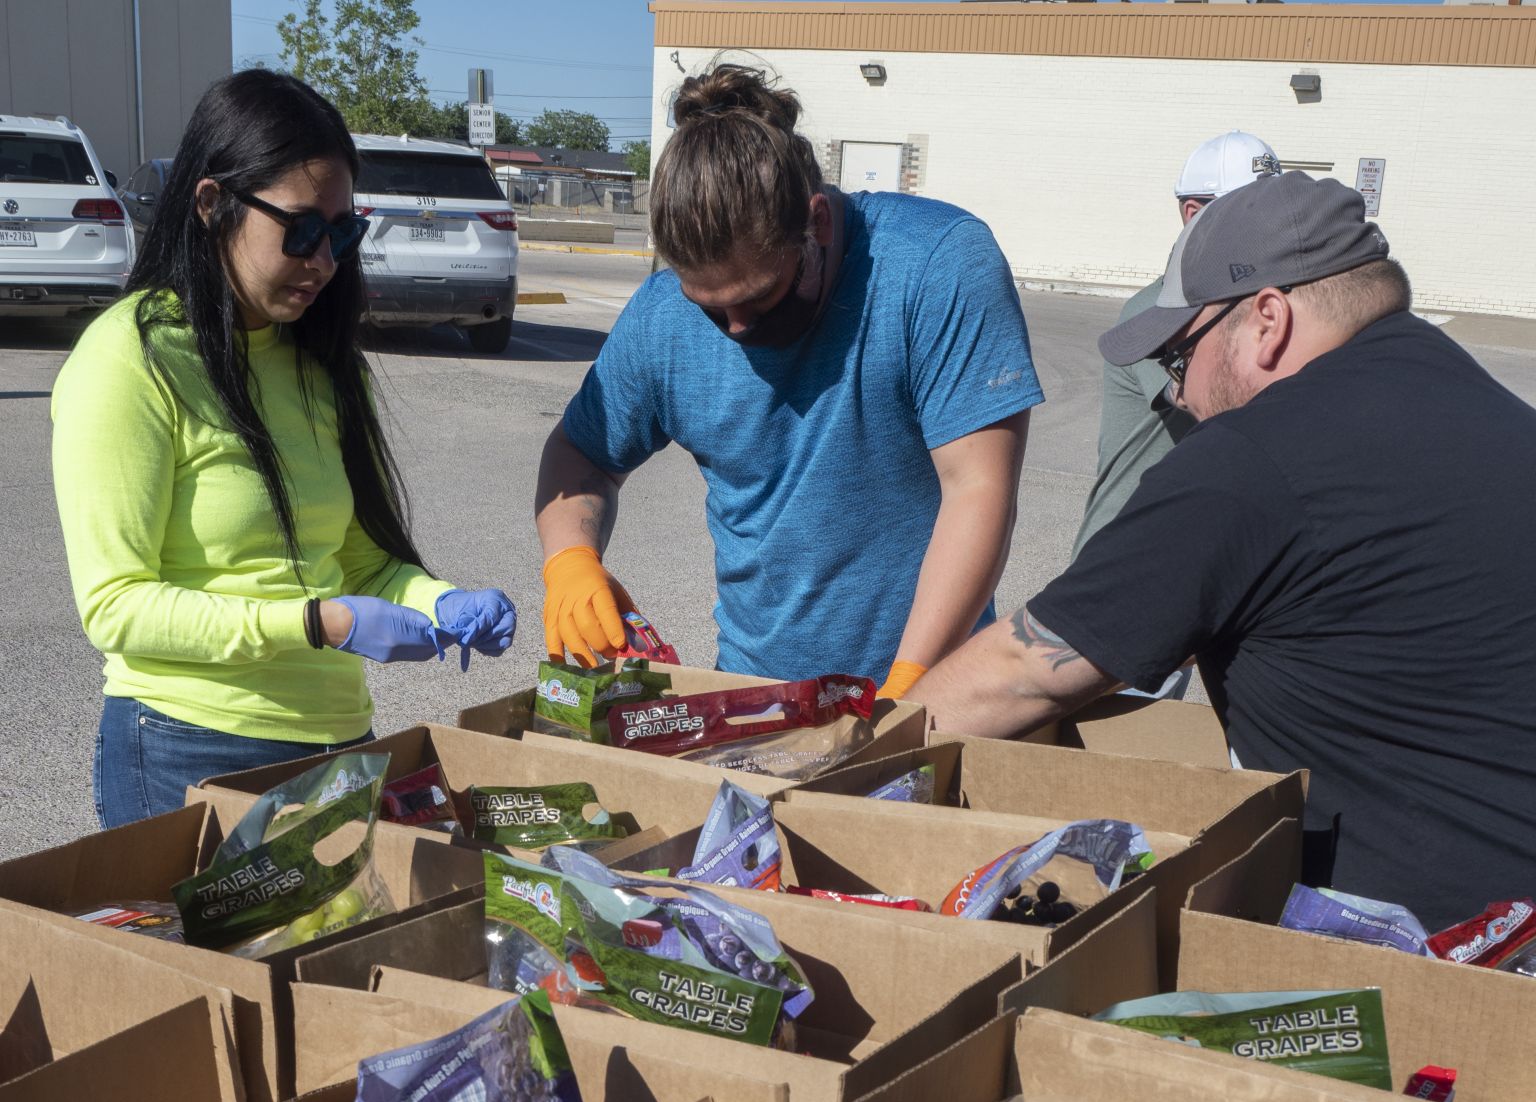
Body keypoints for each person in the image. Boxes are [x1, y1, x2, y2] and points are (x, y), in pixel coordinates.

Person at [904, 174, 1536, 930]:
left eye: (1180, 357)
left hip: (1429, 957)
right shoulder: (1492, 411)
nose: (1177, 395)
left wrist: (862, 755)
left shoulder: (1258, 457)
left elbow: (1019, 676)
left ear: (1266, 319)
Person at [52, 68, 517, 828]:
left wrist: (443, 601)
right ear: (212, 204)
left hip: (335, 747)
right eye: (301, 229)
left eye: (342, 233)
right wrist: (318, 623)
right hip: (188, 747)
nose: (325, 261)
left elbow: (363, 561)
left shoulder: (318, 360)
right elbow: (118, 608)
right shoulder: (130, 360)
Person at [535, 63, 1041, 698]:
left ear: (817, 223)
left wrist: (906, 687)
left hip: (931, 693)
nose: (737, 328)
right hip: (756, 701)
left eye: (759, 296)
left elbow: (978, 488)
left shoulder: (937, 265)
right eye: (710, 308)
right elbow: (582, 456)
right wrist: (570, 559)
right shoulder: (663, 315)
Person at [1075, 128, 1279, 701]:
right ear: (1193, 213)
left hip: (1194, 563)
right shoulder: (1158, 311)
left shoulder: (1248, 310)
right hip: (1127, 570)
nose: (1271, 226)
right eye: (1250, 209)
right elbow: (1235, 410)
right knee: (1106, 754)